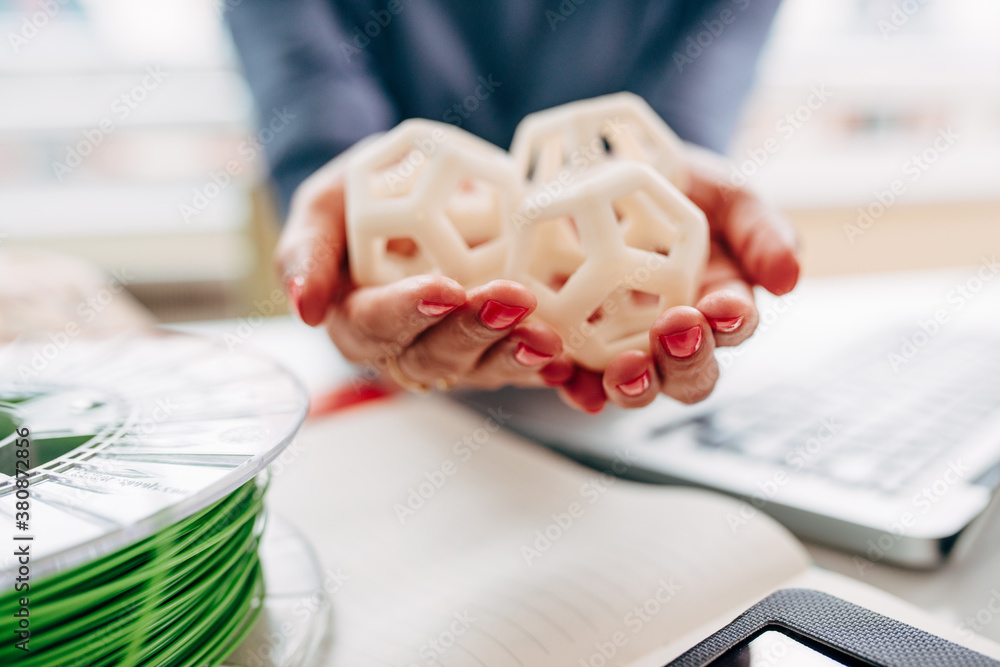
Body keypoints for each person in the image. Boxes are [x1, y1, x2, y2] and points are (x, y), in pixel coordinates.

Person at [226, 0, 800, 413]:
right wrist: (335, 180)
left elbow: (685, 109)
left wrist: (676, 168)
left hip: (607, 403)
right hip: (396, 407)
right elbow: (307, 80)